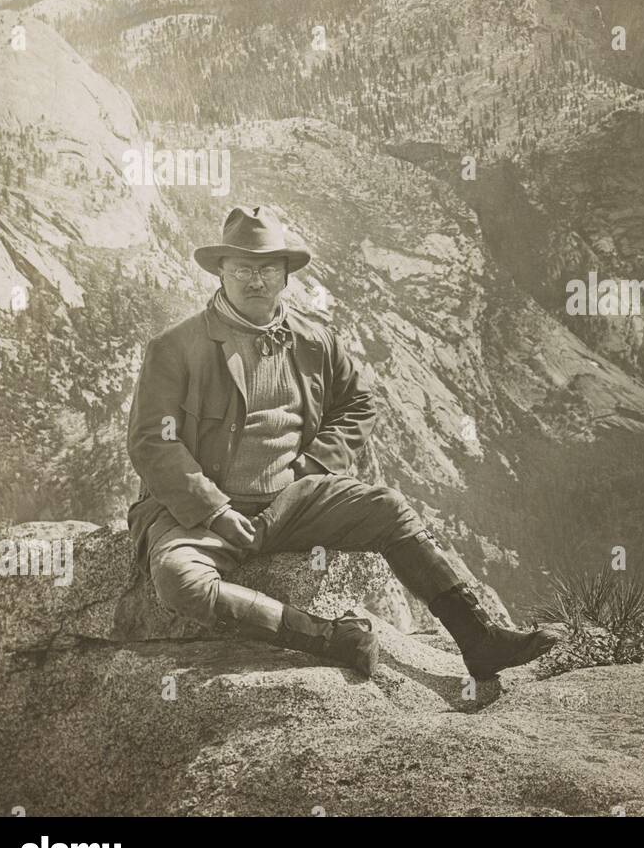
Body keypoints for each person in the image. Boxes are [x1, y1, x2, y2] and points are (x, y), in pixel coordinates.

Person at [127, 205, 558, 679]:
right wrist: (214, 510)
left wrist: (310, 468)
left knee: (388, 509)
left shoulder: (315, 340)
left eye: (268, 268)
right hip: (203, 514)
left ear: (286, 274)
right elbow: (153, 441)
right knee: (178, 580)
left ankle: (478, 638)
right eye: (243, 268)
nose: (256, 280)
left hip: (293, 501)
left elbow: (359, 405)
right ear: (221, 272)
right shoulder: (175, 348)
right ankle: (331, 638)